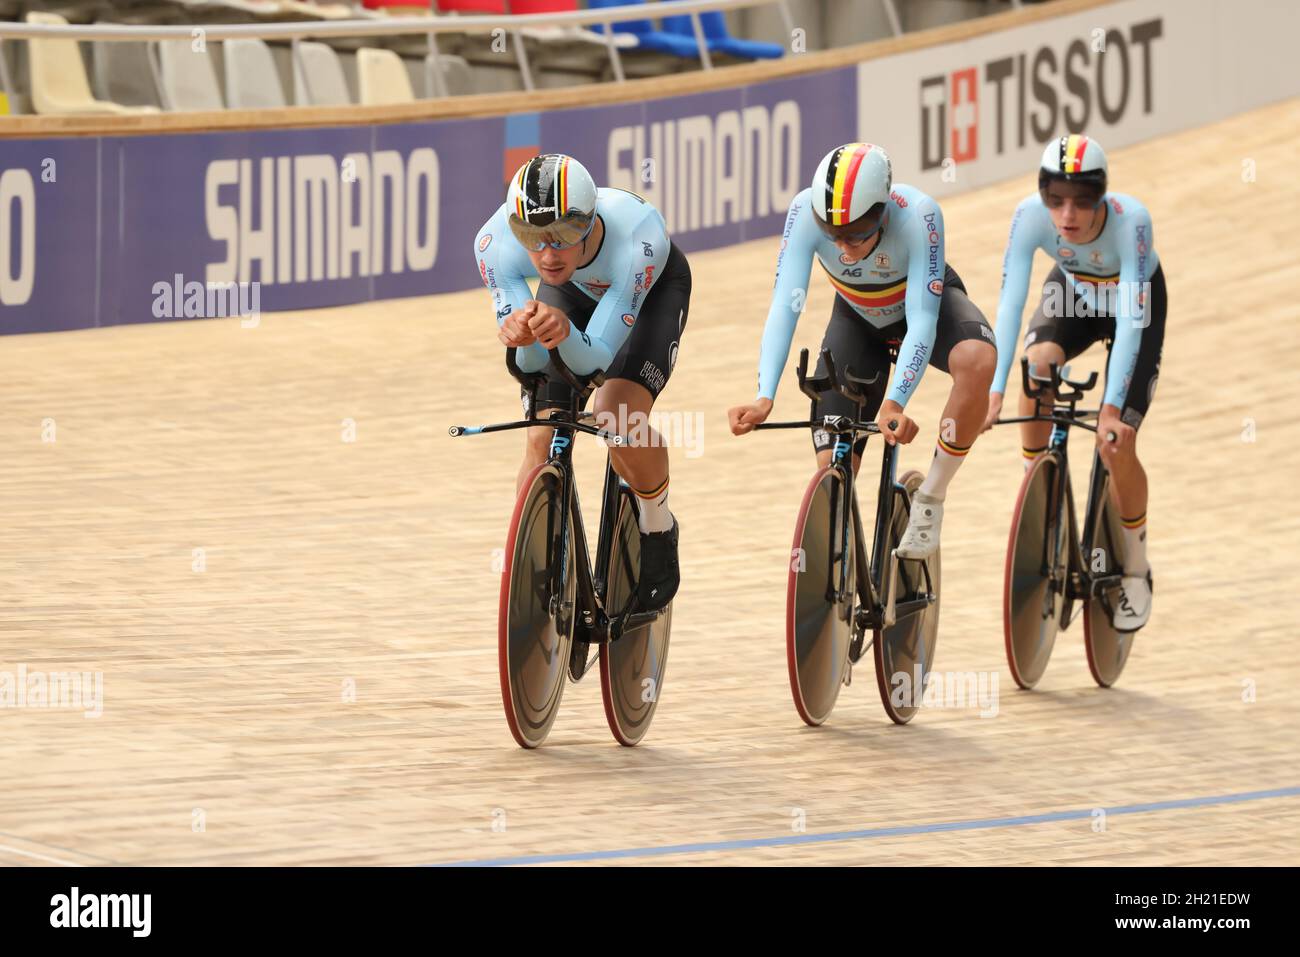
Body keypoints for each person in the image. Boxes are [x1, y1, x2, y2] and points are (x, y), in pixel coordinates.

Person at [728, 142, 997, 559]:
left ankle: (931, 499)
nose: (843, 246)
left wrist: (894, 403)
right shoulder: (803, 213)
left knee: (978, 361)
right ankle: (841, 569)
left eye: (855, 233)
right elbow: (785, 305)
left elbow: (923, 322)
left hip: (924, 307)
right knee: (833, 466)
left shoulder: (919, 215)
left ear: (882, 210)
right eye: (832, 233)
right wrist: (765, 396)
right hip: (857, 320)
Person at [473, 154, 691, 611]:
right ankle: (533, 566)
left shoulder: (638, 237)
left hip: (647, 294)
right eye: (534, 239)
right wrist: (524, 335)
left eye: (564, 236)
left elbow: (594, 360)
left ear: (589, 224)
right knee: (541, 429)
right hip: (571, 292)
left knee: (616, 415)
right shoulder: (494, 244)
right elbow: (532, 367)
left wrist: (562, 331)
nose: (548, 254)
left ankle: (657, 525)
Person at [982, 134, 1165, 632]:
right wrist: (995, 388)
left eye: (1083, 201)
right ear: (1042, 195)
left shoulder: (1133, 223)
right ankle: (1037, 488)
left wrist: (1110, 408)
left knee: (1115, 443)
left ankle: (1135, 561)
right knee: (1036, 367)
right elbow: (1010, 304)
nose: (1068, 214)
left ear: (1102, 197)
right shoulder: (1029, 217)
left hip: (1133, 306)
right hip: (1074, 295)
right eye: (1056, 200)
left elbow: (1129, 323)